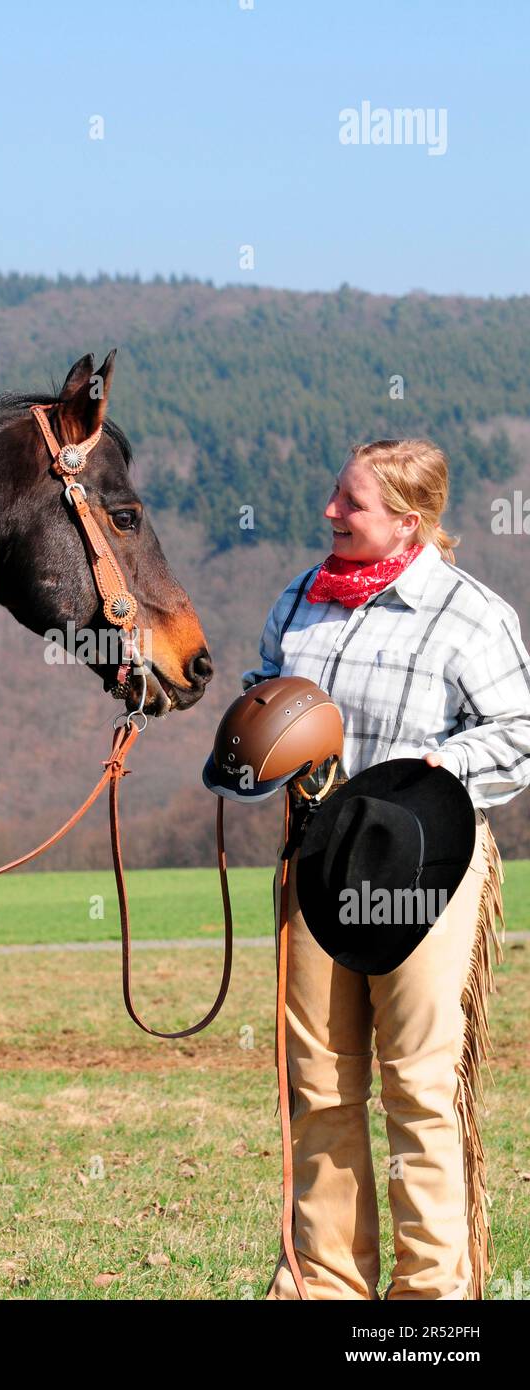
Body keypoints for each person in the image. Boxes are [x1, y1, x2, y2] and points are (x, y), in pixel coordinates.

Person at [241, 438, 530, 1301]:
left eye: (351, 504)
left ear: (408, 521)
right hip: (315, 859)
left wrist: (437, 768)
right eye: (334, 496)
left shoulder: (469, 615)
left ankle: (432, 1303)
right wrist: (246, 738)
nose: (329, 513)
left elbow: (516, 733)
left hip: (423, 866)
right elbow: (267, 690)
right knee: (317, 1084)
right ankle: (325, 1288)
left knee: (416, 1083)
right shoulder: (301, 597)